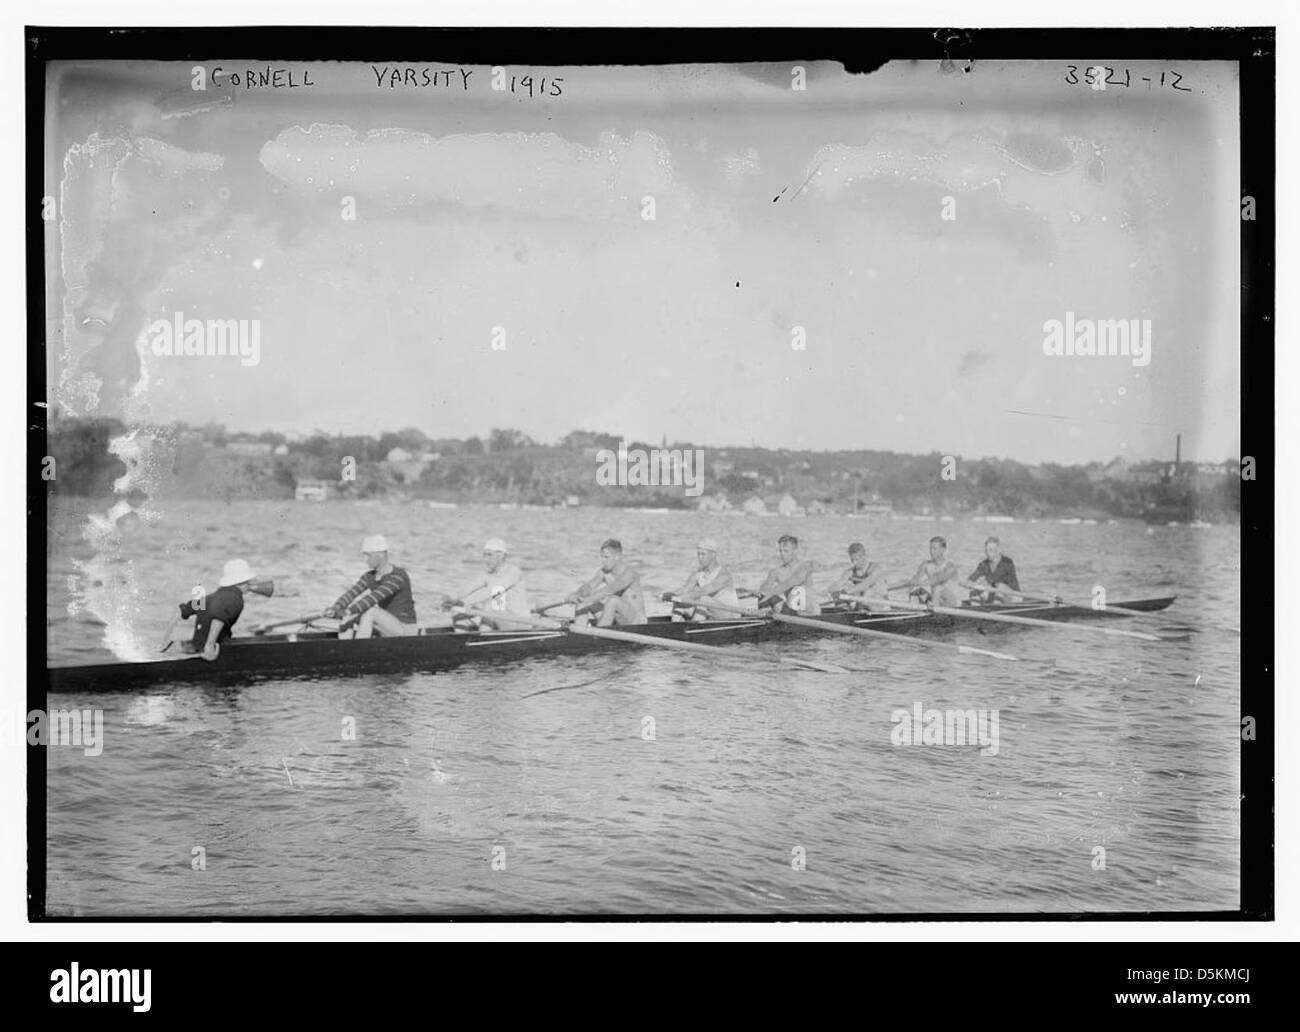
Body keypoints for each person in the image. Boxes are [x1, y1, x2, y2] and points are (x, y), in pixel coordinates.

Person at [326, 534, 418, 639]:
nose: (365, 559)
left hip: (406, 630)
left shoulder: (398, 576)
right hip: (385, 626)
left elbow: (373, 598)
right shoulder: (369, 577)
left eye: (368, 555)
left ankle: (357, 650)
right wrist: (336, 607)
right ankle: (343, 649)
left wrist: (347, 611)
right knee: (348, 617)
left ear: (381, 554)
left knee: (370, 611)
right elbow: (351, 593)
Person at [171, 558, 259, 661]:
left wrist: (164, 639)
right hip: (211, 648)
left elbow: (183, 610)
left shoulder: (210, 598)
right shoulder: (236, 599)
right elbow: (219, 617)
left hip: (196, 646)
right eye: (248, 582)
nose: (249, 585)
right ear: (242, 582)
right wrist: (209, 646)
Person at [442, 538, 530, 630]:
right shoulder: (490, 574)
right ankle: (461, 642)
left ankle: (484, 636)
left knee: (488, 610)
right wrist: (450, 598)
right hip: (500, 617)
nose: (486, 559)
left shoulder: (513, 572)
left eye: (490, 555)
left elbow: (491, 591)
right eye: (484, 555)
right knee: (459, 615)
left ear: (501, 555)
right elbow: (470, 586)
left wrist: (463, 603)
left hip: (518, 622)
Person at [566, 539, 645, 627]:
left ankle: (597, 637)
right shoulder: (604, 572)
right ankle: (579, 634)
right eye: (601, 557)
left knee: (613, 600)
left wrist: (586, 599)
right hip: (618, 620)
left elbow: (609, 590)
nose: (602, 561)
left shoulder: (629, 574)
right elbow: (588, 586)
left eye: (606, 557)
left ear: (618, 557)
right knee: (583, 600)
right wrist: (577, 595)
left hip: (636, 622)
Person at [661, 538, 739, 621]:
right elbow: (685, 589)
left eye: (703, 554)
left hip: (729, 614)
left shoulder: (724, 574)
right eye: (698, 554)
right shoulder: (699, 573)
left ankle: (693, 628)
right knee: (679, 604)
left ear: (713, 555)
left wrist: (679, 597)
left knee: (703, 599)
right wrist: (671, 594)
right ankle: (674, 628)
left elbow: (702, 592)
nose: (700, 557)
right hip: (709, 611)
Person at [754, 535, 820, 615]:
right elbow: (764, 591)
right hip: (792, 611)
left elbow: (791, 582)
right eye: (780, 551)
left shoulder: (805, 566)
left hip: (811, 612)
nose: (782, 555)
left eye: (786, 551)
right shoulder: (775, 572)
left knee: (797, 591)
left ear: (795, 551)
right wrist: (761, 593)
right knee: (768, 598)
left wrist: (770, 593)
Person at [893, 536, 961, 607]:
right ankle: (914, 610)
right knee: (916, 591)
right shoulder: (925, 564)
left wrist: (921, 583)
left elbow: (937, 579)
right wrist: (914, 581)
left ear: (942, 550)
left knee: (937, 587)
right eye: (930, 548)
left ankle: (934, 611)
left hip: (951, 602)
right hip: (936, 599)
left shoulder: (950, 566)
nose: (931, 551)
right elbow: (917, 576)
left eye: (934, 549)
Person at [827, 542, 891, 609]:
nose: (854, 563)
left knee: (867, 592)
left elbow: (865, 584)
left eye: (856, 559)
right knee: (841, 599)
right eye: (852, 560)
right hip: (864, 604)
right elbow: (836, 585)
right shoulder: (850, 572)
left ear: (864, 556)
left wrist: (845, 592)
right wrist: (834, 592)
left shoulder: (875, 569)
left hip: (882, 604)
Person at [967, 536, 1021, 604]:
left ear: (998, 550)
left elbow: (995, 576)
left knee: (1000, 586)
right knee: (974, 593)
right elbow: (975, 575)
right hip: (996, 593)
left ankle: (993, 607)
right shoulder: (984, 564)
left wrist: (982, 584)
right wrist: (969, 581)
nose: (987, 553)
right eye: (986, 550)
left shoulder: (1007, 562)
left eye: (990, 550)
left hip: (1014, 597)